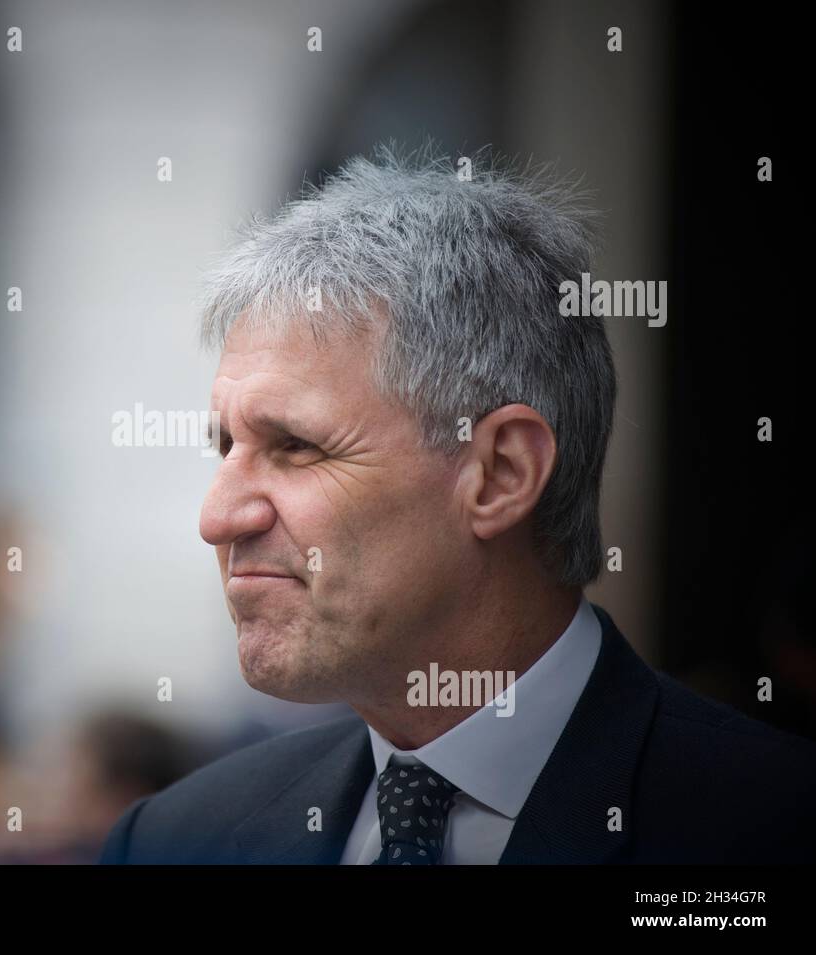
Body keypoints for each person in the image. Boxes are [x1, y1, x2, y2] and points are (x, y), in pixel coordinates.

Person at [100, 147, 816, 864]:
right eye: (224, 446)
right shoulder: (171, 839)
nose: (217, 518)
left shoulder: (771, 827)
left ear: (502, 472)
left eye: (296, 446)